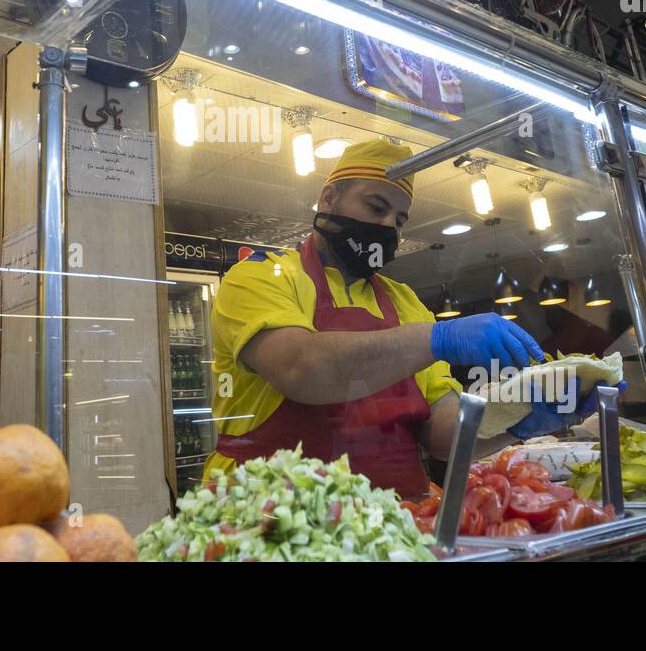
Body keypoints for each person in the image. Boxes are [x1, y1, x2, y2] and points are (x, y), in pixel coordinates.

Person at [204, 139, 615, 498]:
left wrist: (527, 413)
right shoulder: (260, 275)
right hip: (270, 522)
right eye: (376, 206)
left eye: (399, 220)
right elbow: (302, 367)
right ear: (329, 199)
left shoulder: (405, 303)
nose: (387, 226)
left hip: (394, 523)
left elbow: (443, 434)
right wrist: (438, 339)